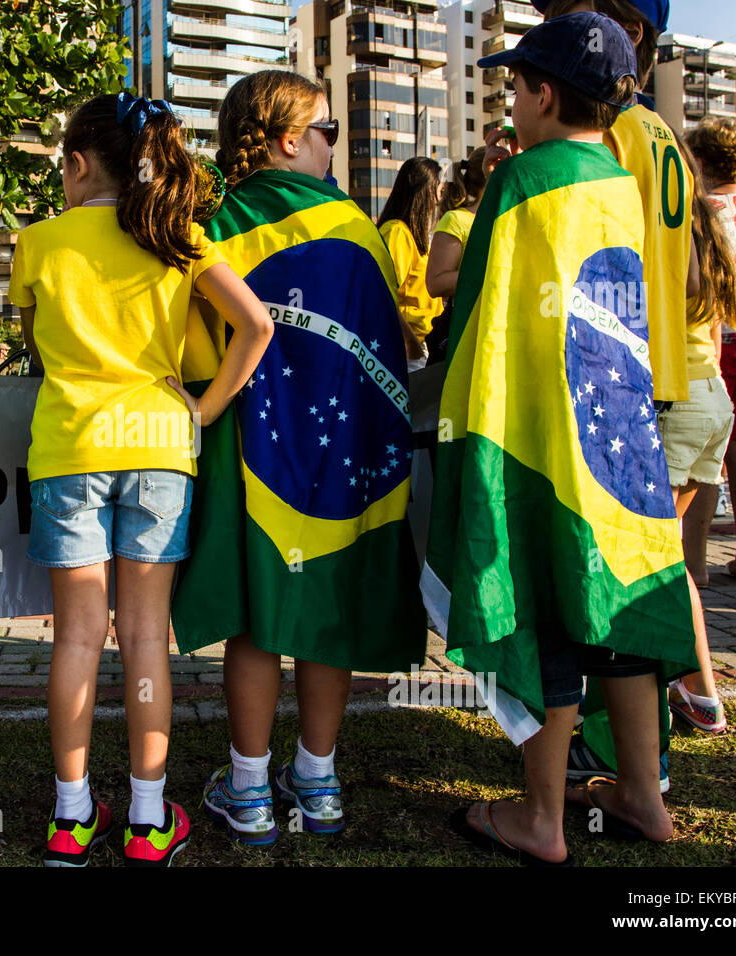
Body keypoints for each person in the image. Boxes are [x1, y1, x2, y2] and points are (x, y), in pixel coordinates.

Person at [427, 13, 696, 865]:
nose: (510, 103)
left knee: (538, 604)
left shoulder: (521, 180)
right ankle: (643, 798)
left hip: (535, 432)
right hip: (616, 431)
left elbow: (478, 312)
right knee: (614, 605)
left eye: (514, 87)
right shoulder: (620, 177)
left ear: (543, 93)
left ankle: (543, 818)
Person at [10, 91, 273, 867]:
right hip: (161, 447)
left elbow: (37, 344)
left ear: (78, 162)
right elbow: (255, 325)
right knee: (147, 637)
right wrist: (205, 407)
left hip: (71, 450)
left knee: (78, 638)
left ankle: (71, 814)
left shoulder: (39, 245)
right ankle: (150, 816)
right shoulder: (178, 236)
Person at [172, 69, 427, 849]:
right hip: (345, 459)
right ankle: (317, 779)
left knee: (257, 620)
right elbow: (390, 348)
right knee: (328, 617)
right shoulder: (355, 227)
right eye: (328, 132)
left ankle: (248, 790)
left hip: (250, 457)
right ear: (289, 139)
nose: (331, 147)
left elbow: (186, 338)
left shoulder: (212, 220)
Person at [526, 0, 697, 794]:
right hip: (646, 358)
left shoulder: (608, 130)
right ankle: (644, 761)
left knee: (590, 571)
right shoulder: (663, 133)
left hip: (598, 366)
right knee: (635, 556)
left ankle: (612, 750)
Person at [656, 149, 736, 735]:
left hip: (683, 400)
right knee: (671, 558)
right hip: (712, 396)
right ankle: (699, 691)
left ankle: (696, 689)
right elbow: (713, 333)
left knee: (654, 557)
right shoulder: (709, 226)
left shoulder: (673, 231)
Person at [682, 120, 736, 591]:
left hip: (724, 337)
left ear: (700, 160)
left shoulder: (705, 209)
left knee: (716, 455)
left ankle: (695, 563)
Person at [378, 158, 443, 372]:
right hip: (409, 349)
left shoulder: (411, 235)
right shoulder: (397, 232)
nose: (438, 198)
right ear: (424, 191)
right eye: (437, 189)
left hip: (421, 343)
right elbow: (383, 294)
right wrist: (410, 342)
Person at [426, 147, 488, 360]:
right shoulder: (457, 220)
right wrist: (493, 270)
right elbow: (436, 282)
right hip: (464, 334)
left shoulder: (509, 219)